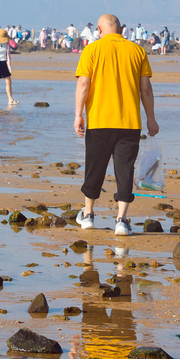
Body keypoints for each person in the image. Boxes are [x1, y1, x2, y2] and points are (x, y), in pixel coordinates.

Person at [72, 14, 159, 237]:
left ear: (99, 29)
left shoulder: (92, 50)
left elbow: (83, 83)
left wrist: (78, 115)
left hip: (99, 121)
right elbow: (146, 89)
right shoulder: (137, 50)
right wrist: (151, 118)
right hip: (129, 123)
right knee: (125, 170)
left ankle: (89, 214)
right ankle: (121, 220)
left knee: (94, 167)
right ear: (120, 28)